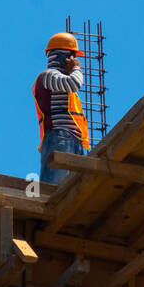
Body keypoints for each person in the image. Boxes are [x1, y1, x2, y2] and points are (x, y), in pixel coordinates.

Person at [33, 32, 91, 186]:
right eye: (72, 55)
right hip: (60, 138)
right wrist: (76, 69)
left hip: (73, 140)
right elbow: (74, 83)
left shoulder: (58, 79)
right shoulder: (49, 76)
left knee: (76, 191)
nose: (75, 60)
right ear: (62, 56)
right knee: (56, 189)